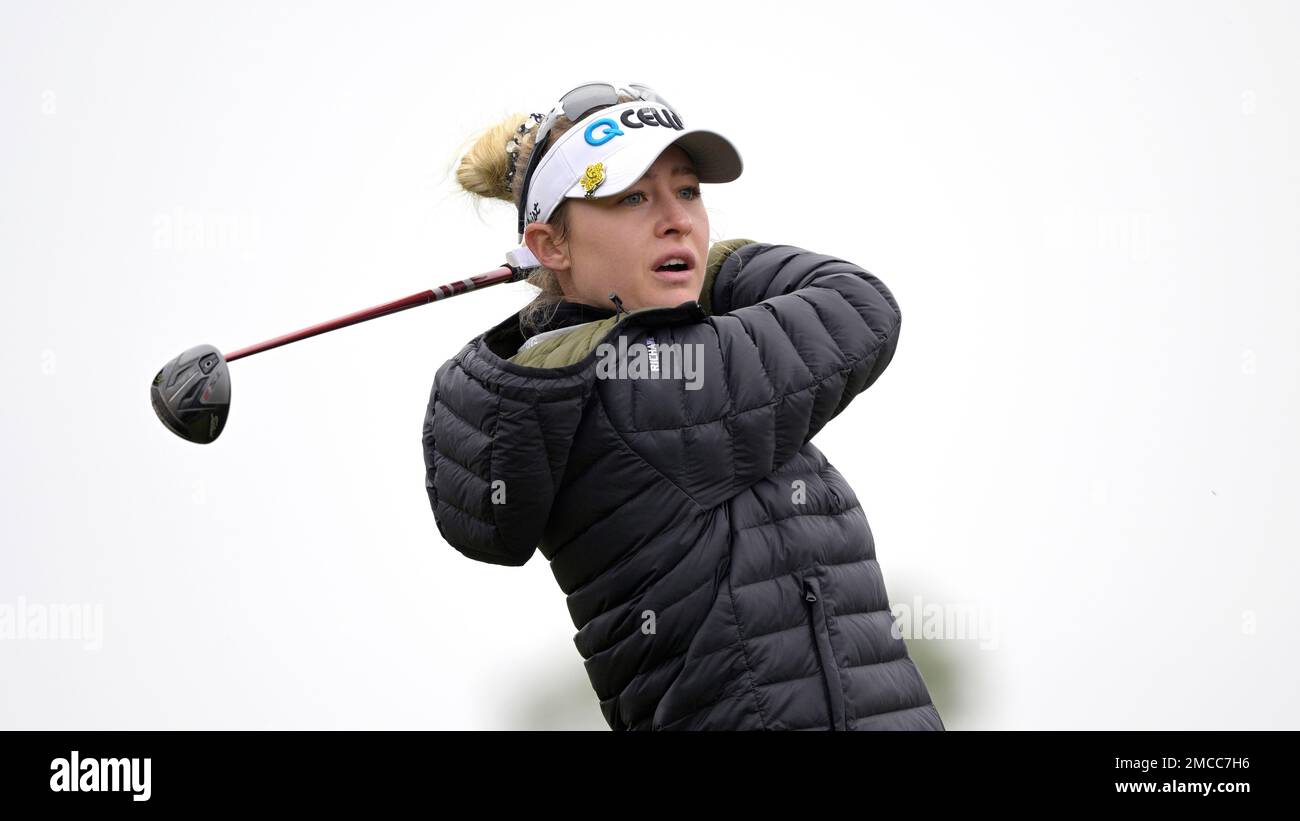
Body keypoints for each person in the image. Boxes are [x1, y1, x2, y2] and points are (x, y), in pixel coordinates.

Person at [423, 81, 944, 731]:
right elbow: (858, 306)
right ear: (551, 246)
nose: (679, 221)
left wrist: (677, 267)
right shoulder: (646, 383)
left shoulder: (594, 374)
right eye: (632, 197)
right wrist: (719, 266)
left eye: (688, 192)